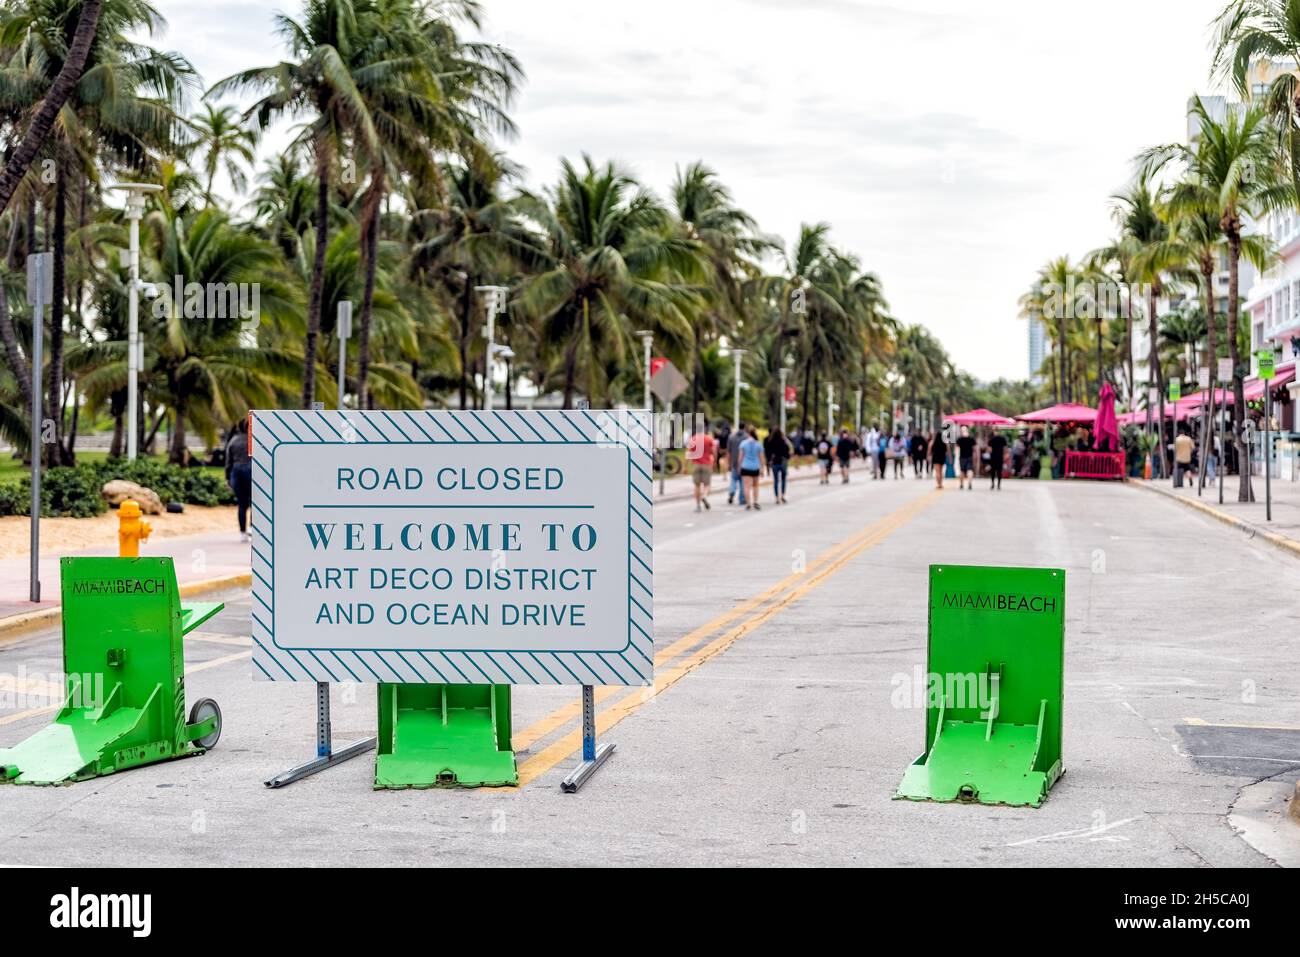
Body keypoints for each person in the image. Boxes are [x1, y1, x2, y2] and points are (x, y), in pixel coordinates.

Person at [225, 419, 253, 542]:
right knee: (255, 503)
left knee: (242, 505)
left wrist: (228, 478)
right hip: (251, 470)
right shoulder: (253, 440)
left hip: (236, 472)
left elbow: (228, 462)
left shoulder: (233, 440)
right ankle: (252, 526)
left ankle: (242, 533)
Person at [687, 429, 716, 512]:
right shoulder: (709, 439)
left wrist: (685, 466)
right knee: (707, 485)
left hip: (696, 465)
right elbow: (714, 451)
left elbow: (689, 452)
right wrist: (714, 461)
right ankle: (704, 496)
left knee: (697, 486)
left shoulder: (693, 439)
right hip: (707, 464)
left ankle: (698, 506)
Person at [739, 427, 766, 510]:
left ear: (748, 434)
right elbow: (761, 458)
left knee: (746, 486)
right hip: (755, 467)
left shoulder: (743, 443)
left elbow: (740, 457)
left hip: (745, 466)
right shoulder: (758, 444)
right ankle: (755, 502)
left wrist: (739, 466)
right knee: (755, 486)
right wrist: (762, 468)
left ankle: (748, 503)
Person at [765, 426, 792, 503]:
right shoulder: (783, 440)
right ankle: (783, 495)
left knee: (776, 480)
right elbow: (788, 449)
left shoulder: (770, 441)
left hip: (775, 462)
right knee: (783, 479)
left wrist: (769, 460)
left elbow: (768, 452)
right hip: (783, 461)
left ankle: (777, 497)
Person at [726, 423, 747, 505]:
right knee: (742, 481)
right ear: (744, 427)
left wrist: (728, 463)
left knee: (733, 480)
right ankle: (742, 499)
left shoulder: (731, 437)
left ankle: (732, 491)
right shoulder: (746, 437)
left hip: (734, 462)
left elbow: (728, 452)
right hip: (744, 463)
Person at [955, 425, 976, 490]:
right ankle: (969, 482)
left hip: (962, 457)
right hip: (970, 456)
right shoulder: (971, 439)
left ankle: (961, 484)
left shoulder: (959, 439)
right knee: (970, 470)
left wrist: (956, 456)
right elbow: (974, 449)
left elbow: (956, 449)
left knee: (962, 470)